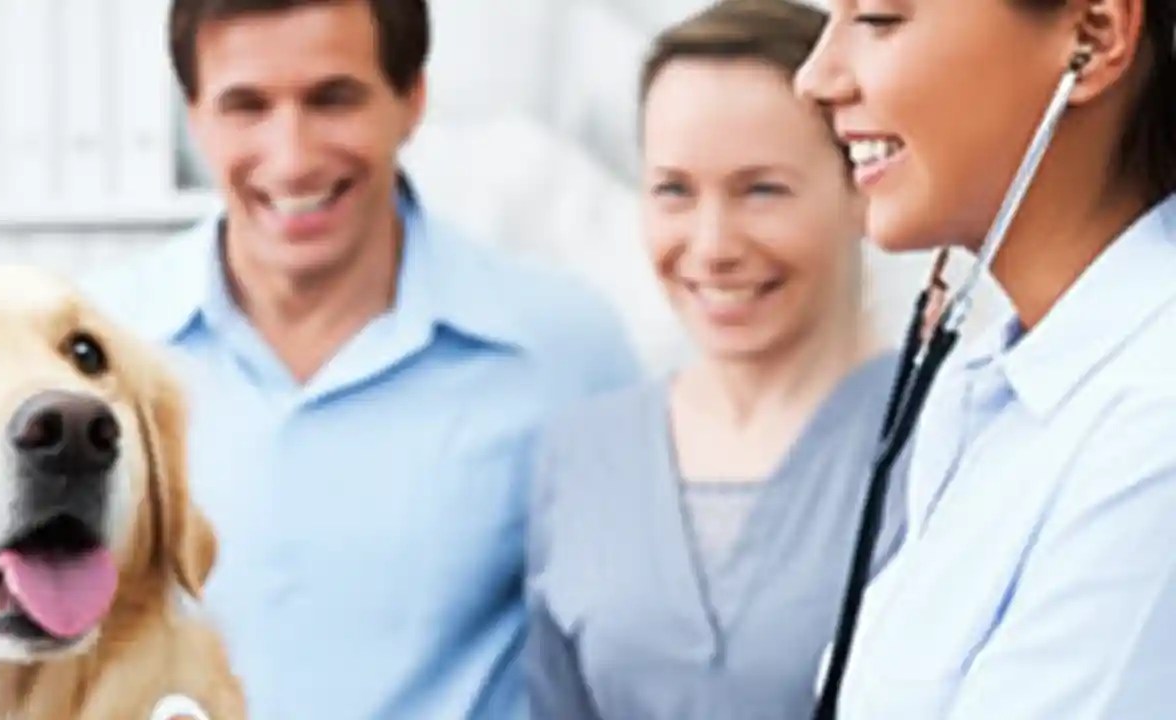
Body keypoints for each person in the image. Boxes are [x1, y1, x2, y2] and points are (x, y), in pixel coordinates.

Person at [78, 1, 641, 717]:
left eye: (332, 99)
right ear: (195, 118)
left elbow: (628, 663)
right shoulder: (90, 354)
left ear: (412, 101)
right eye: (246, 106)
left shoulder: (565, 351)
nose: (292, 157)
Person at [523, 1, 909, 717]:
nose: (713, 245)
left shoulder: (943, 439)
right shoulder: (580, 455)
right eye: (674, 190)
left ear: (860, 186)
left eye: (761, 189)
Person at [795, 0, 1176, 716]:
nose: (814, 77)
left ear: (1093, 37)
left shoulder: (1155, 422)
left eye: (877, 18)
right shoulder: (987, 392)